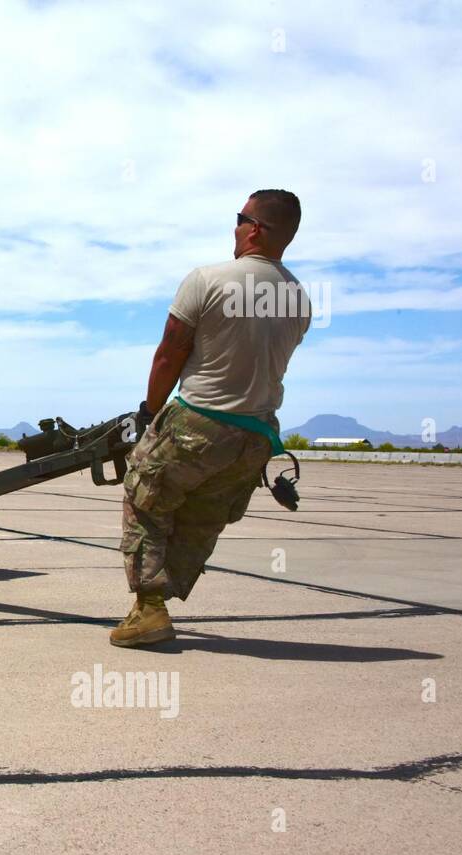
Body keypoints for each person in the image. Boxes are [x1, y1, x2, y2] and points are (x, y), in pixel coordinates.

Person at [113, 189, 311, 647]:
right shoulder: (299, 298)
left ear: (255, 227)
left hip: (198, 420)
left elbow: (170, 353)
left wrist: (150, 411)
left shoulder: (208, 279)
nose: (235, 227)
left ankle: (149, 608)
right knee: (202, 517)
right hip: (255, 435)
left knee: (145, 500)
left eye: (240, 218)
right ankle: (159, 602)